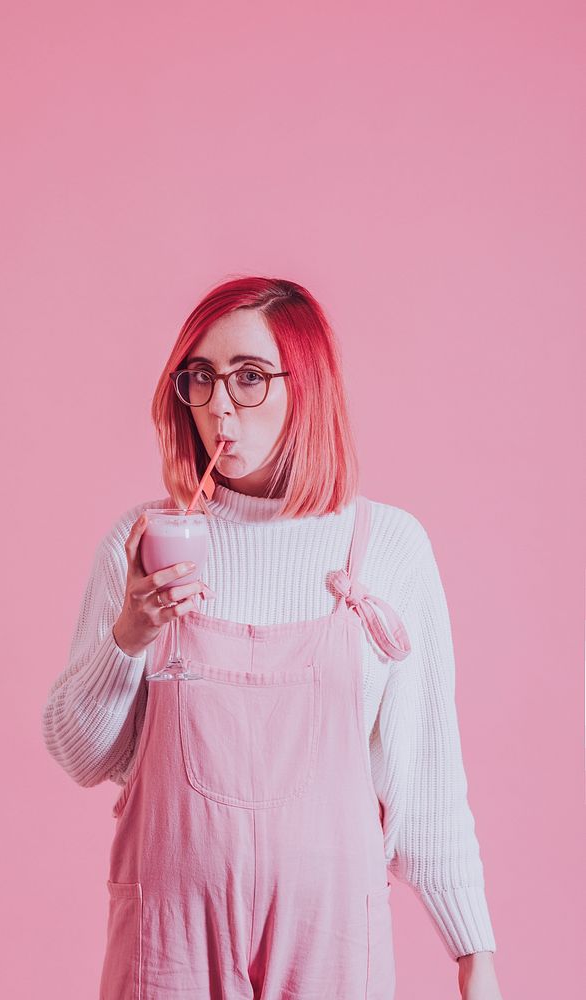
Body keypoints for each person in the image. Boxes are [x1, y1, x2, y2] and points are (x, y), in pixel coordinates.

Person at [42, 276, 504, 999]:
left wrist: (473, 955)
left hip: (331, 939)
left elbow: (426, 782)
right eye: (200, 377)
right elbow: (78, 754)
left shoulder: (384, 546)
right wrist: (128, 635)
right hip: (169, 937)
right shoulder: (141, 545)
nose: (219, 404)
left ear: (306, 385)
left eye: (249, 377)